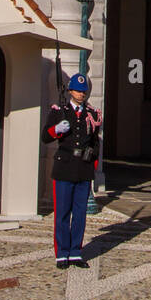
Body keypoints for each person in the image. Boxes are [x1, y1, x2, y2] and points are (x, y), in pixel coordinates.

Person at [42, 71, 102, 267]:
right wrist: (57, 129)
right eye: (77, 90)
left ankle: (76, 251)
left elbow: (95, 142)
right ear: (70, 91)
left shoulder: (92, 114)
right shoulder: (59, 110)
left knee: (80, 213)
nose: (81, 94)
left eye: (83, 91)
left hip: (83, 168)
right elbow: (46, 136)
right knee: (62, 213)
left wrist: (92, 163)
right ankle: (62, 253)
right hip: (65, 166)